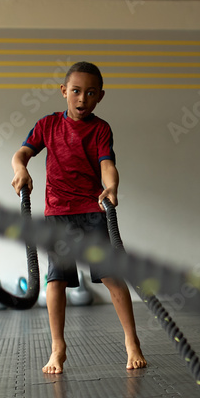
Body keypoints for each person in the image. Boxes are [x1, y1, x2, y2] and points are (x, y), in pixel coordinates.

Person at [10, 61, 147, 374]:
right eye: (75, 91)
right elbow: (22, 154)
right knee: (55, 279)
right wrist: (21, 169)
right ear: (63, 92)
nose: (82, 98)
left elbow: (107, 165)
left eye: (90, 93)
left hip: (93, 212)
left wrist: (111, 187)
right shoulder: (47, 125)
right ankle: (58, 347)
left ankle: (132, 342)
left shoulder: (100, 129)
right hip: (58, 214)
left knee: (112, 276)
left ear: (100, 96)